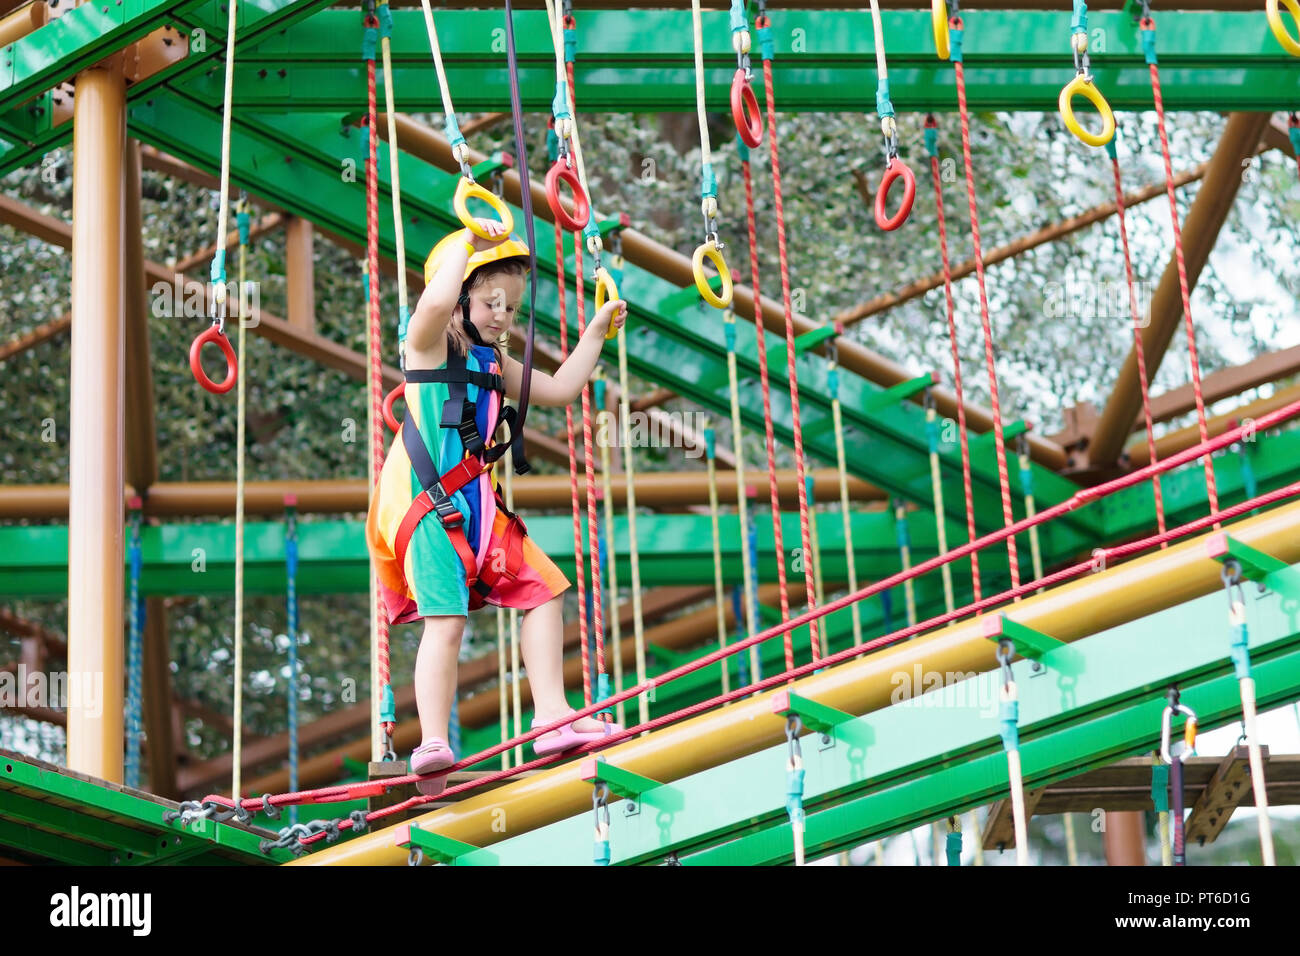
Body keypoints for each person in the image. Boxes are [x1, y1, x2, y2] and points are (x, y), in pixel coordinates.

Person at [366, 218, 628, 795]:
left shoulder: (492, 363)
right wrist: (468, 242)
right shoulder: (426, 344)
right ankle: (432, 739)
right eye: (490, 302)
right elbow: (434, 305)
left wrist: (595, 335)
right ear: (459, 293)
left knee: (545, 590)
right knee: (448, 620)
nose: (502, 317)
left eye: (510, 308)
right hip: (430, 510)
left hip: (478, 508)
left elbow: (559, 391)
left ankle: (553, 716)